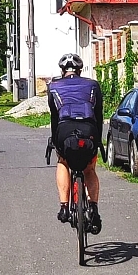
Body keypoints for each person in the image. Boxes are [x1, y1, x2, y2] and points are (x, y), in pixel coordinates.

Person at [46, 53, 103, 233]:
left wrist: (55, 142)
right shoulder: (93, 85)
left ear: (62, 70)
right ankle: (93, 208)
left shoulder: (53, 87)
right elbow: (99, 115)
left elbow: (54, 117)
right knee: (89, 169)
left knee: (63, 161)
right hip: (88, 129)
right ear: (80, 70)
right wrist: (98, 141)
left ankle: (64, 207)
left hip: (65, 129)